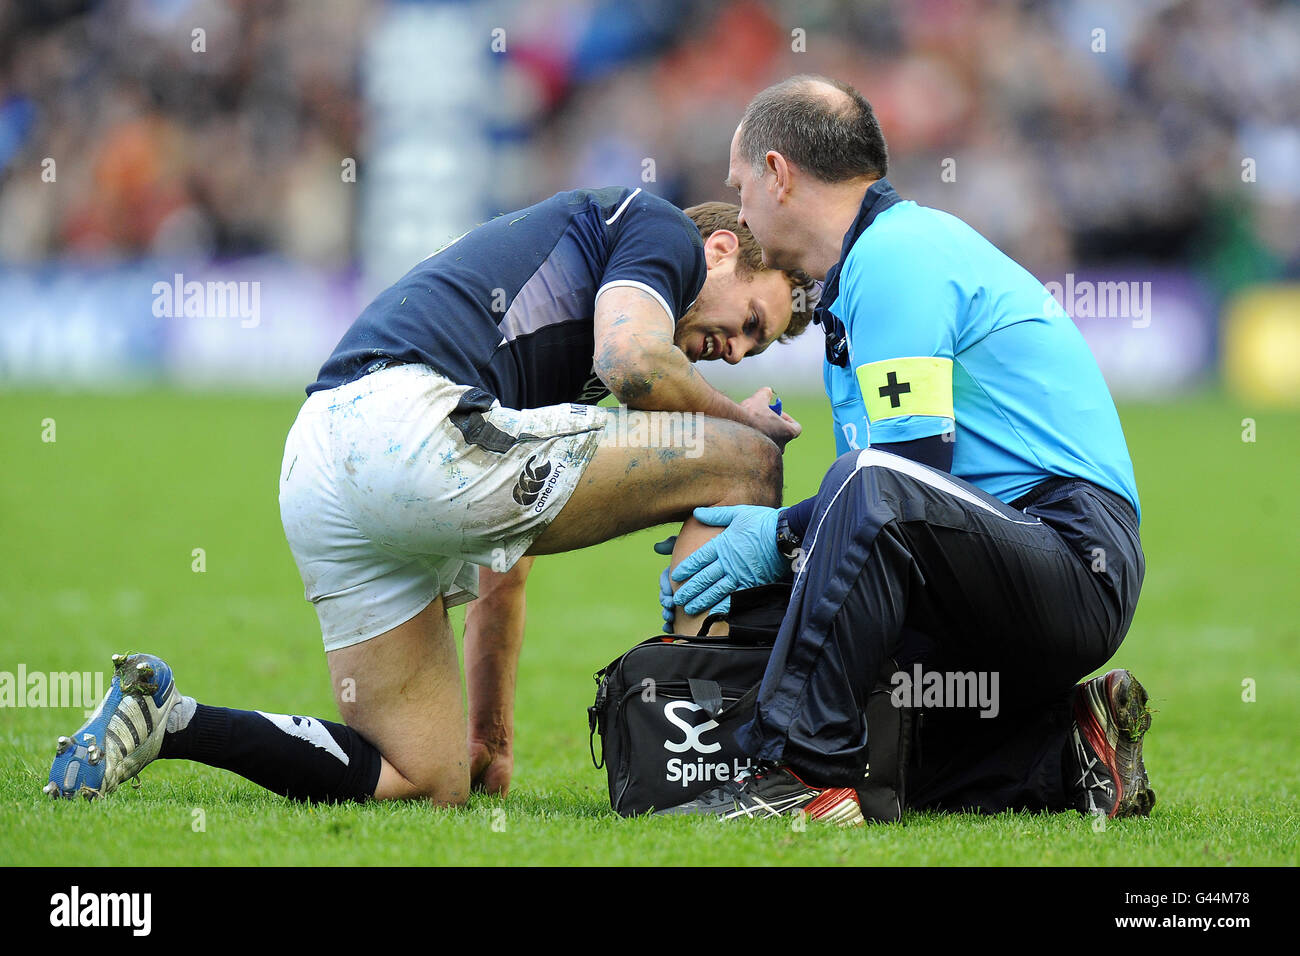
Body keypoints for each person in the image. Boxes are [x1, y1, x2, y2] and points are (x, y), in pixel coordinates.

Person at [45, 188, 816, 806]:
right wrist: (740, 419)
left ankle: (168, 721)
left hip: (320, 460)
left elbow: (504, 556)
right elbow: (630, 363)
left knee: (423, 779)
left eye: (759, 348)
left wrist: (492, 734)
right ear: (719, 250)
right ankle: (709, 771)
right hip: (412, 428)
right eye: (750, 320)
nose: (738, 351)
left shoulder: (555, 334)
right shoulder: (658, 227)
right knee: (744, 460)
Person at [658, 77, 1154, 825]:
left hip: (1073, 554)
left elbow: (909, 470)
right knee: (767, 618)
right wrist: (781, 557)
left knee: (865, 486)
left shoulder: (899, 255)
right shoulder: (854, 281)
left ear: (777, 174)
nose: (741, 203)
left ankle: (801, 775)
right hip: (990, 567)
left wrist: (782, 533)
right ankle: (1064, 754)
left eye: (740, 185)